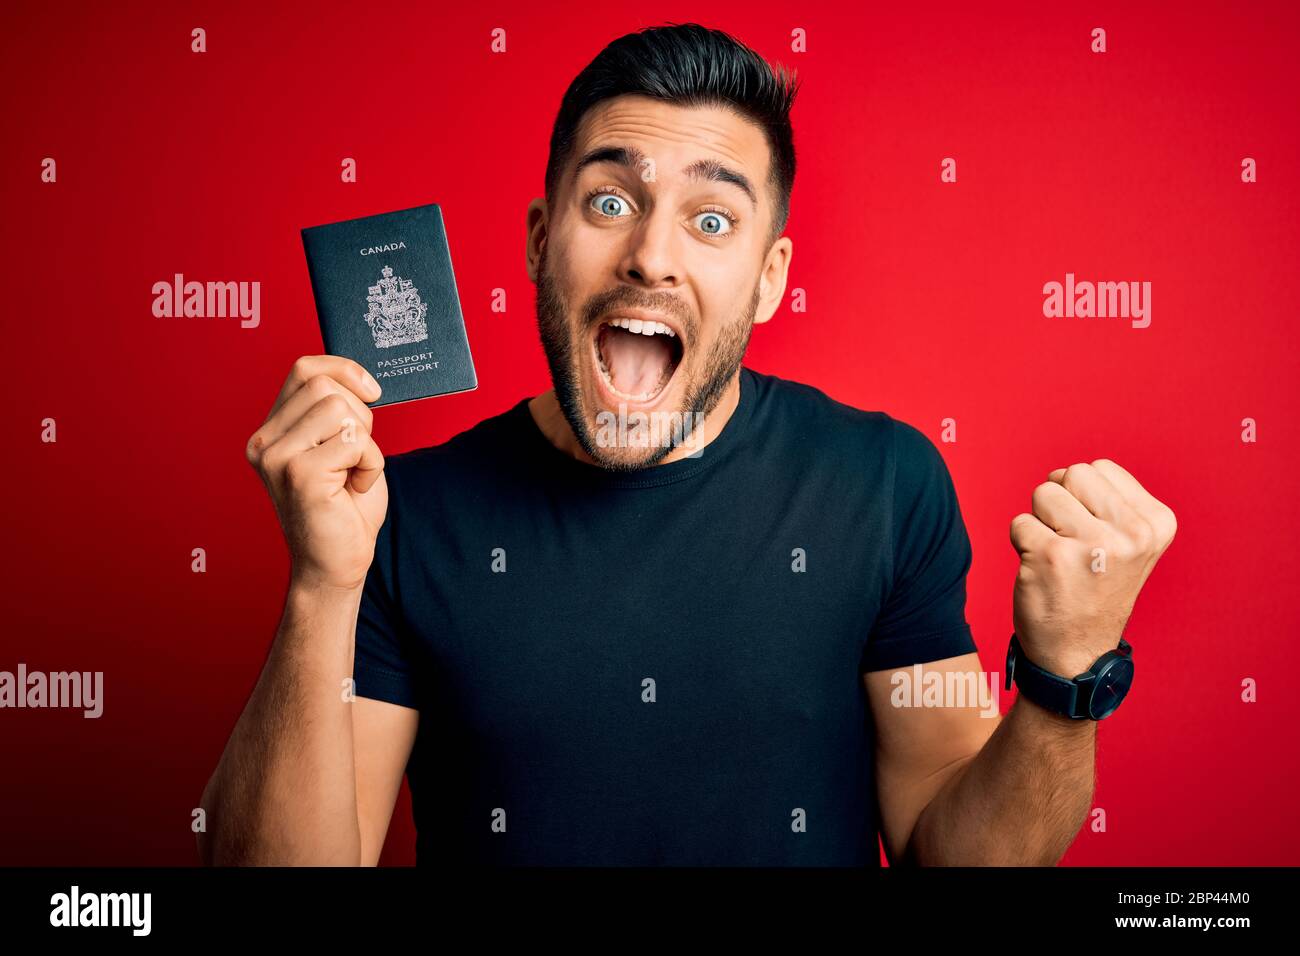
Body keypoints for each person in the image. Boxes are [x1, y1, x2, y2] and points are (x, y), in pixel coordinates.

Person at [197, 23, 1176, 866]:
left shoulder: (886, 484)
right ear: (542, 242)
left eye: (712, 219)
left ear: (766, 278)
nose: (652, 254)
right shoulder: (401, 514)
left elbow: (948, 850)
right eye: (611, 201)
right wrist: (322, 581)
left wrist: (1064, 675)